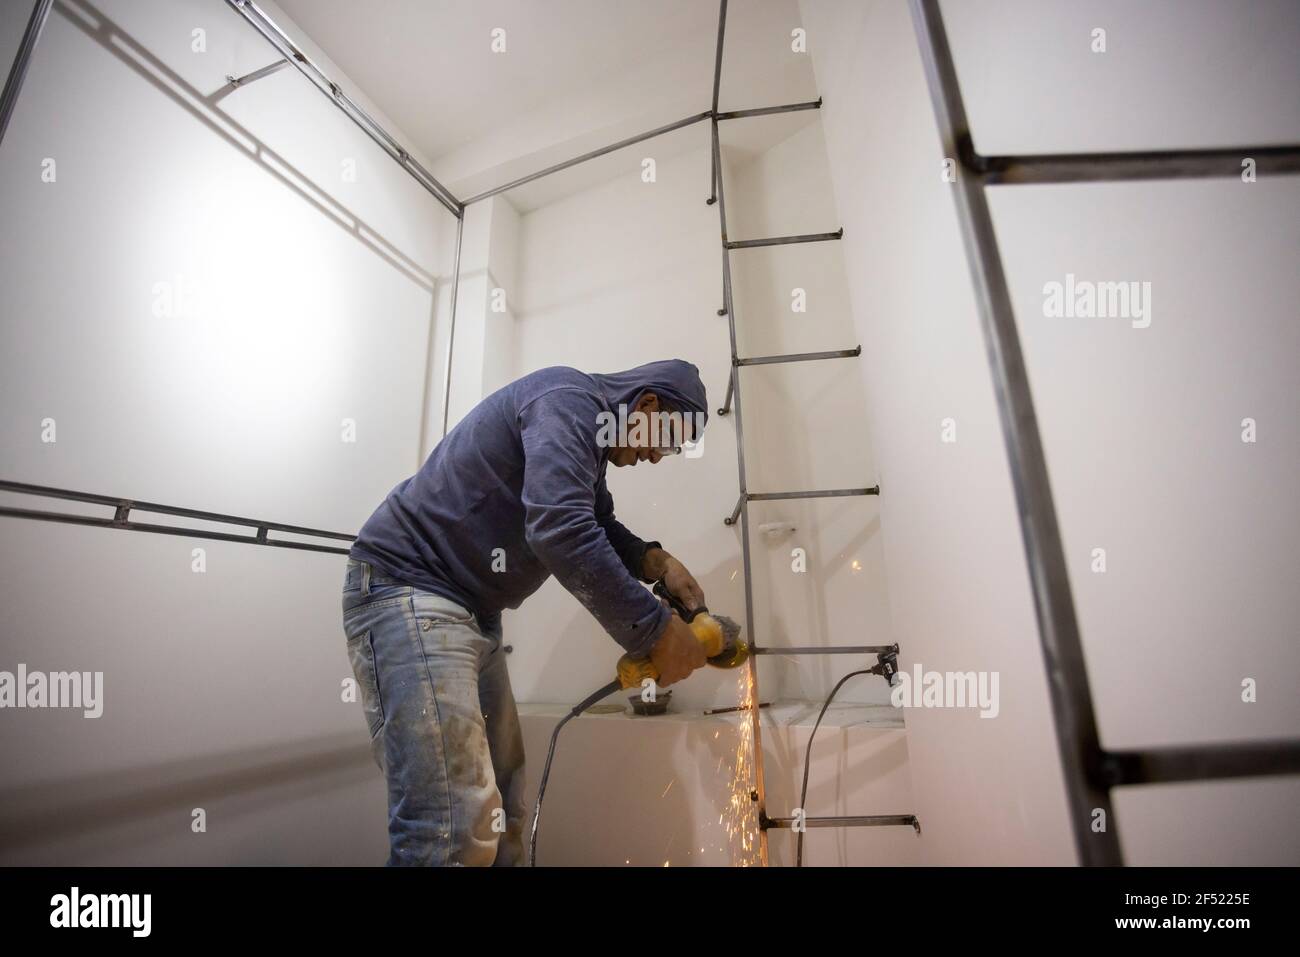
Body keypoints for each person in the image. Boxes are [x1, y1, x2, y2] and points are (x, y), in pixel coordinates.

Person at [341, 359, 711, 865]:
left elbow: (594, 517)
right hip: (411, 587)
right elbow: (560, 528)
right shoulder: (567, 399)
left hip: (468, 609)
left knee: (500, 813)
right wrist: (655, 632)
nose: (656, 457)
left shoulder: (584, 432)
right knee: (449, 825)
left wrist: (656, 562)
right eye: (665, 442)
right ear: (647, 406)